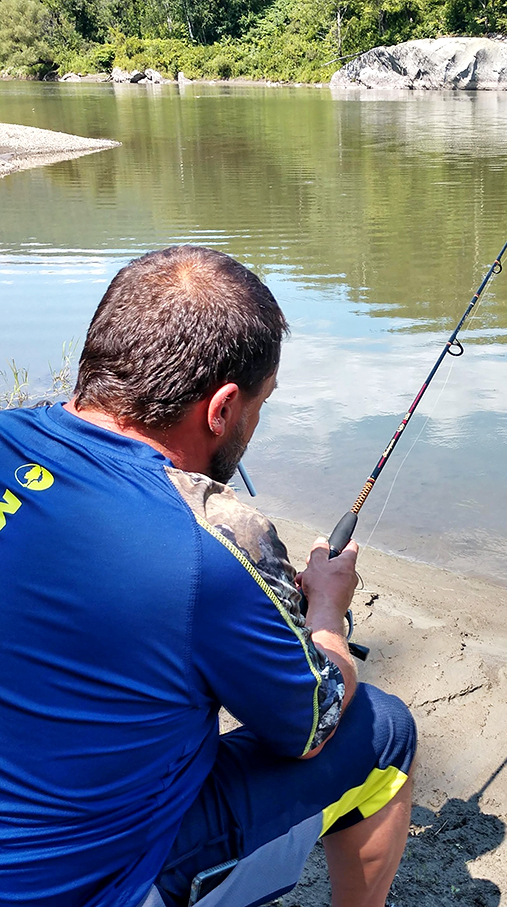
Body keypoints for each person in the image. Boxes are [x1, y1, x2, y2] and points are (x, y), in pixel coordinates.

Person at [0, 246, 417, 907]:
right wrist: (326, 613)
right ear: (221, 408)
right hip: (91, 890)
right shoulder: (212, 545)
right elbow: (314, 720)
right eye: (261, 403)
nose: (255, 421)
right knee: (384, 729)